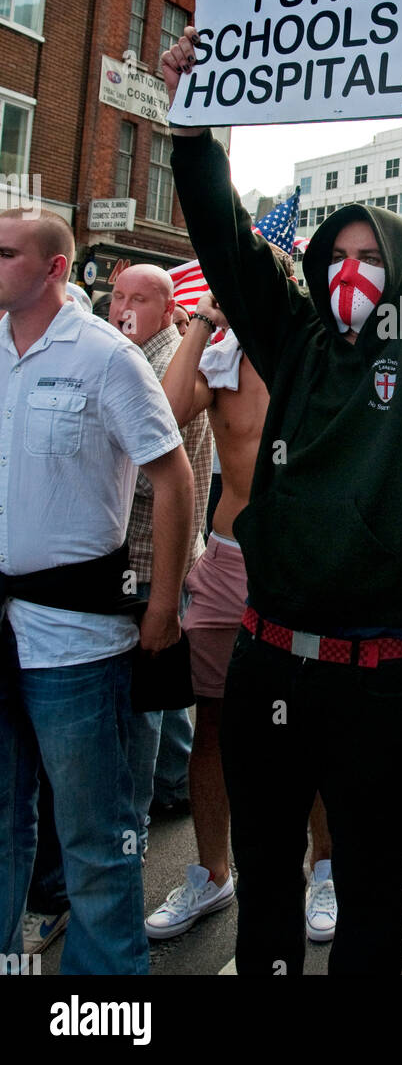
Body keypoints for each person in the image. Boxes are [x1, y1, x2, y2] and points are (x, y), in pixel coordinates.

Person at [161, 6, 402, 976]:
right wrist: (193, 129)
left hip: (376, 677)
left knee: (365, 895)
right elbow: (229, 243)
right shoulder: (293, 338)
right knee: (267, 886)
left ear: (398, 271)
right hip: (267, 664)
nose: (350, 271)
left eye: (371, 257)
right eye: (336, 257)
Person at [0, 208, 193, 975]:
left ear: (53, 269)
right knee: (5, 822)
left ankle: (105, 1001)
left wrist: (162, 603)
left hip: (77, 640)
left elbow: (173, 475)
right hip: (2, 628)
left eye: (4, 251)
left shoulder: (108, 358)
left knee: (95, 834)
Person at [143, 290, 268, 940]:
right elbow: (161, 416)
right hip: (225, 563)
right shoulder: (223, 360)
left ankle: (324, 872)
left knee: (313, 723)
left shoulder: (322, 355)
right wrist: (202, 324)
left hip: (304, 571)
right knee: (212, 723)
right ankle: (212, 875)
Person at [109, 265, 213, 849]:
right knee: (168, 684)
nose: (121, 307)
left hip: (151, 556)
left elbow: (146, 477)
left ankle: (135, 821)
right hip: (161, 554)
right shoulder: (141, 355)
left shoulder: (158, 366)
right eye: (117, 295)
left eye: (138, 298)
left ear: (168, 305)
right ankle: (175, 782)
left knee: (143, 697)